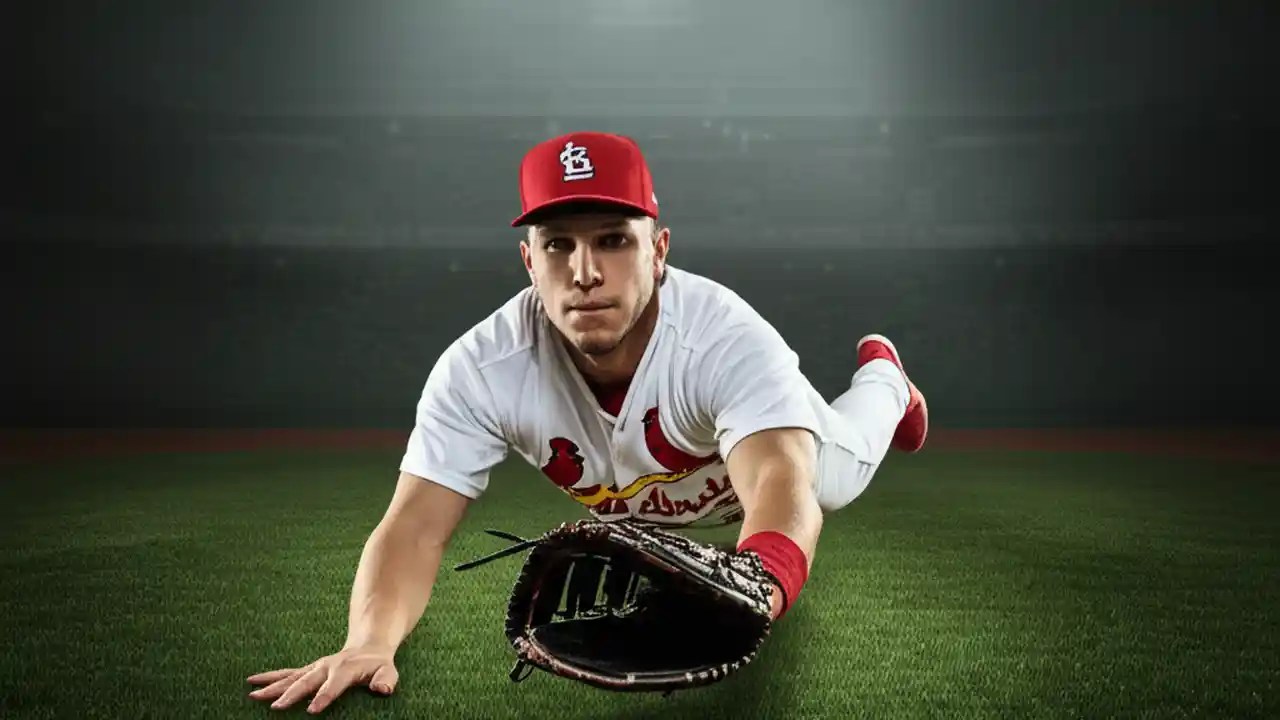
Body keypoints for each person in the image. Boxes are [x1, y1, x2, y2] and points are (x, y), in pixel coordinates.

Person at [246, 131, 928, 713]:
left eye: (611, 240)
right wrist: (370, 639)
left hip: (762, 471)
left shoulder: (720, 337)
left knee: (838, 475)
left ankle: (886, 379)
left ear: (659, 250)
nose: (584, 272)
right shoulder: (482, 368)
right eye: (556, 245)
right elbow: (415, 525)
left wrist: (762, 581)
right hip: (661, 496)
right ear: (527, 260)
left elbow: (781, 476)